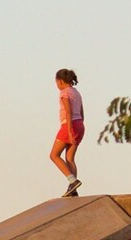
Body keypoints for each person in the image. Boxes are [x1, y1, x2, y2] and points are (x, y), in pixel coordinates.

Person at [50, 68, 85, 197]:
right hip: (79, 124)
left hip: (68, 124)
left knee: (54, 155)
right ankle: (73, 190)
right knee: (70, 158)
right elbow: (81, 112)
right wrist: (79, 126)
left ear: (60, 81)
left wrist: (69, 130)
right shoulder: (76, 93)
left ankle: (73, 181)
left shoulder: (64, 93)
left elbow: (69, 112)